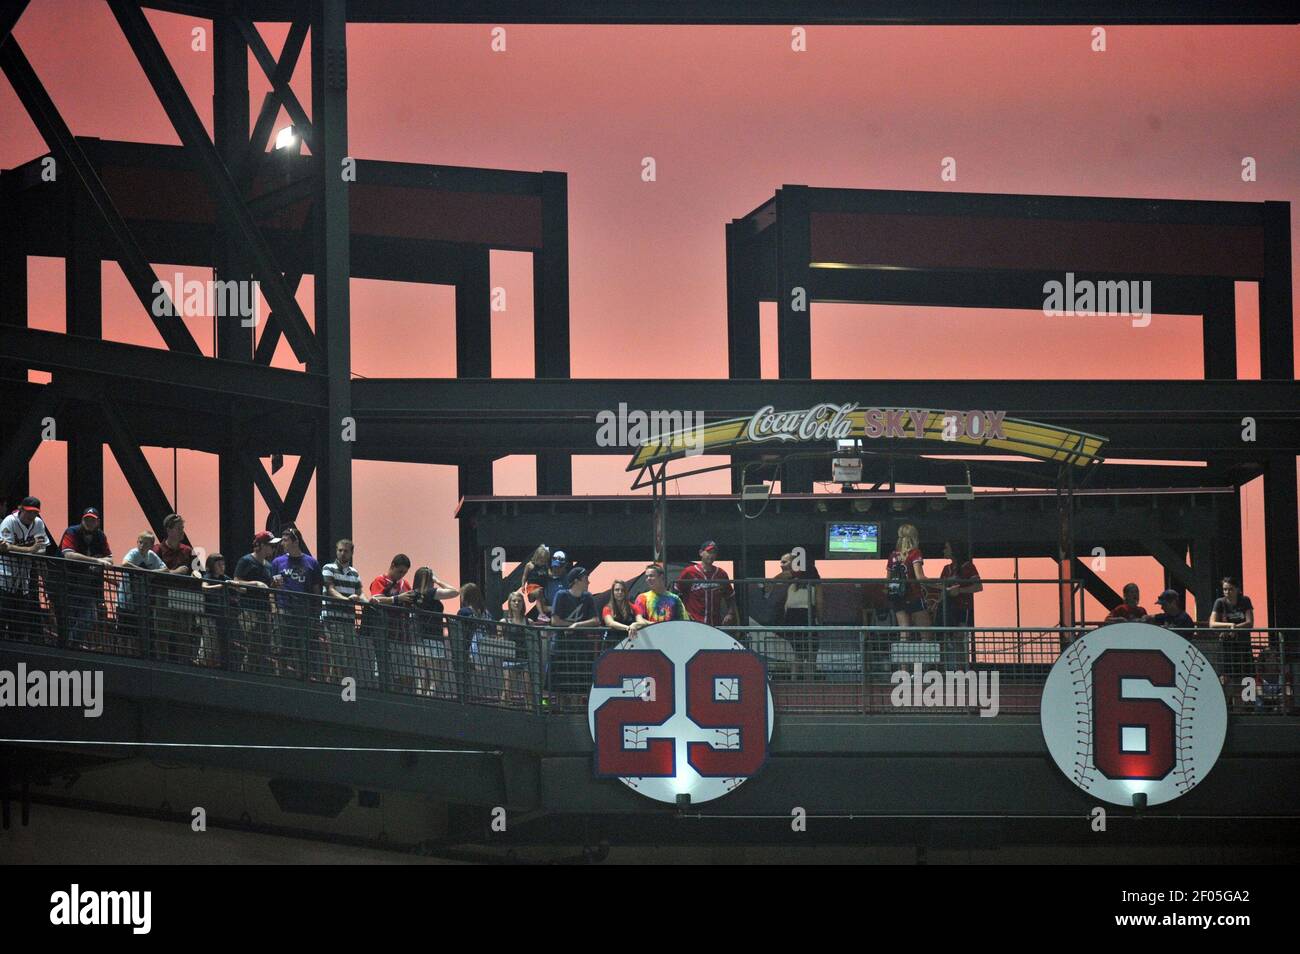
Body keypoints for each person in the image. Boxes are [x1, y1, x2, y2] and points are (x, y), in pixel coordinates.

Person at [60, 506, 113, 651]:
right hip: (67, 582)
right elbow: (68, 554)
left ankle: (71, 643)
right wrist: (96, 560)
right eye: (87, 519)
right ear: (82, 520)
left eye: (92, 520)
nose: (89, 522)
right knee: (70, 616)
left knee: (89, 617)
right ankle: (69, 645)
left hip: (87, 585)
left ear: (98, 522)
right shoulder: (72, 531)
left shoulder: (100, 536)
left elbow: (109, 558)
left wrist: (100, 561)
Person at [270, 526, 320, 678]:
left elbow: (316, 590)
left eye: (285, 540)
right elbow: (271, 588)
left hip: (304, 612)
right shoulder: (277, 562)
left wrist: (315, 614)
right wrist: (274, 607)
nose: (282, 543)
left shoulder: (311, 563)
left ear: (295, 541)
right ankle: (282, 678)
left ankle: (303, 678)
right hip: (284, 609)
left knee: (303, 648)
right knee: (282, 647)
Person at [152, 513, 201, 662]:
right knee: (162, 633)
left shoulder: (188, 550)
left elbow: (197, 570)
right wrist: (177, 572)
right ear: (169, 530)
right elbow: (151, 573)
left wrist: (195, 574)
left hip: (182, 596)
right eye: (179, 528)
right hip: (163, 596)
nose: (182, 532)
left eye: (182, 528)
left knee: (184, 633)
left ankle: (183, 664)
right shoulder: (157, 550)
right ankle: (162, 663)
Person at [0, 497, 50, 642]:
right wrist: (30, 549)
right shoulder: (10, 521)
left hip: (24, 580)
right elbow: (4, 548)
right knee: (2, 618)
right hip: (5, 576)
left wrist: (26, 550)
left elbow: (42, 550)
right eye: (29, 512)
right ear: (21, 508)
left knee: (20, 623)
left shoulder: (38, 523)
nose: (31, 515)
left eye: (35, 512)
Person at [549, 566, 599, 700]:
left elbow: (595, 620)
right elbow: (554, 620)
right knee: (561, 681)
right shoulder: (561, 595)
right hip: (562, 645)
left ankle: (576, 709)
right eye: (585, 579)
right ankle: (562, 711)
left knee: (579, 680)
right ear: (576, 581)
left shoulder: (587, 597)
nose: (588, 582)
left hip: (580, 646)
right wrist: (572, 625)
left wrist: (576, 625)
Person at [233, 531, 280, 674]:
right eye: (270, 545)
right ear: (261, 546)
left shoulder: (269, 566)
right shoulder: (246, 561)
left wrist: (274, 586)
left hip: (264, 611)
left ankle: (256, 673)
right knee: (253, 644)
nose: (273, 549)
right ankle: (247, 674)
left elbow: (268, 588)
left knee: (263, 645)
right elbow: (235, 582)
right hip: (249, 610)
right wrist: (255, 583)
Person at [409, 566, 459, 698]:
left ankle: (419, 700)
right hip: (434, 639)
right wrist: (438, 581)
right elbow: (454, 592)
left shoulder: (413, 594)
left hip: (418, 639)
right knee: (435, 678)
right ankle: (429, 700)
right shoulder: (431, 593)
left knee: (421, 678)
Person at [320, 539, 366, 684]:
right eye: (340, 550)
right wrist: (347, 600)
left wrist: (369, 601)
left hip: (348, 621)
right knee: (337, 655)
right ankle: (336, 688)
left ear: (351, 553)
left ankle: (341, 689)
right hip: (332, 619)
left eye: (346, 551)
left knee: (349, 657)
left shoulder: (354, 573)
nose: (342, 553)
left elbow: (360, 592)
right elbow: (330, 589)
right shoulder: (328, 568)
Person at [366, 554, 415, 690]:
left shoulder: (405, 584)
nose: (401, 575)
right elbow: (376, 599)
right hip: (384, 633)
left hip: (402, 635)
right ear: (392, 566)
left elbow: (410, 600)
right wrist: (398, 599)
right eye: (400, 571)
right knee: (385, 670)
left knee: (405, 673)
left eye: (404, 573)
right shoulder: (380, 580)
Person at [116, 531, 166, 655]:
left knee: (137, 631)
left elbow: (165, 568)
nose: (142, 545)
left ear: (151, 545)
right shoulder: (134, 553)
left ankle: (134, 655)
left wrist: (153, 572)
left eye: (146, 543)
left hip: (141, 601)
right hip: (126, 600)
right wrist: (144, 571)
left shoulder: (151, 556)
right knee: (124, 630)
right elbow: (125, 563)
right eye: (140, 542)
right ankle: (122, 654)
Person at [776, 553, 823, 682]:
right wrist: (820, 620)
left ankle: (793, 680)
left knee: (798, 654)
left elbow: (786, 605)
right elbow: (819, 603)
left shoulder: (793, 585)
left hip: (791, 618)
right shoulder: (814, 585)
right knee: (811, 654)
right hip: (806, 616)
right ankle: (810, 681)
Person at [1210, 576, 1255, 710]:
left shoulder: (1245, 601)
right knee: (1224, 678)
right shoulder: (1220, 602)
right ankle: (1222, 708)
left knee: (1241, 679)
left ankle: (1239, 710)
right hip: (1226, 646)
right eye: (1225, 589)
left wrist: (1236, 628)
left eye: (1230, 589)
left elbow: (1250, 622)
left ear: (1237, 589)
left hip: (1242, 645)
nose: (1227, 592)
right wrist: (1230, 625)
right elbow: (1212, 623)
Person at [936, 540, 982, 667]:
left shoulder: (968, 567)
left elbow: (978, 586)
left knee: (959, 638)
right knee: (946, 638)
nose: (943, 551)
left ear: (954, 550)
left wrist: (960, 590)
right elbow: (941, 588)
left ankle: (962, 670)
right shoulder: (946, 569)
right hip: (947, 609)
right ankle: (948, 669)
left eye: (946, 547)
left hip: (962, 608)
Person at [674, 540, 737, 627]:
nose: (711, 555)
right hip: (694, 623)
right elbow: (674, 594)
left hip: (715, 624)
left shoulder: (721, 574)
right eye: (708, 552)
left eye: (714, 553)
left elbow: (730, 596)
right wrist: (683, 613)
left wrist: (730, 613)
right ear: (701, 553)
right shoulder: (689, 572)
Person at [885, 523, 929, 640]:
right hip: (914, 595)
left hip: (897, 597)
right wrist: (939, 583)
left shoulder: (892, 555)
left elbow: (887, 580)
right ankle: (925, 658)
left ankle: (903, 658)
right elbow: (919, 577)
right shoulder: (915, 553)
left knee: (904, 633)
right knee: (925, 633)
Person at [457, 582, 498, 700]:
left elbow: (459, 629)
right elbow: (492, 629)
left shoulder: (464, 612)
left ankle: (466, 697)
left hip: (468, 648)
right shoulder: (486, 613)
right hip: (484, 649)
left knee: (464, 674)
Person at [199, 553, 238, 669]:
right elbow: (204, 587)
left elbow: (240, 588)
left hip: (223, 615)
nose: (222, 567)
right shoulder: (209, 577)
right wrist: (220, 586)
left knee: (220, 641)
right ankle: (204, 661)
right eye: (219, 565)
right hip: (209, 614)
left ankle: (216, 663)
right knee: (209, 640)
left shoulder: (224, 578)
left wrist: (233, 585)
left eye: (223, 564)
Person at [629, 564, 688, 637]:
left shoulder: (674, 598)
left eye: (651, 576)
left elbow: (684, 622)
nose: (648, 579)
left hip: (671, 637)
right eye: (646, 577)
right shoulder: (642, 598)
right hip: (650, 639)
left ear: (661, 577)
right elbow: (639, 620)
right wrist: (659, 626)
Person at [500, 589, 537, 704]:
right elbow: (500, 640)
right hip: (509, 659)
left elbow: (534, 640)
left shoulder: (529, 621)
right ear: (509, 603)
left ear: (523, 604)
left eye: (519, 601)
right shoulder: (504, 622)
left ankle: (529, 712)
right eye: (514, 601)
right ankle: (503, 712)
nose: (517, 603)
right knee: (507, 689)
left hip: (525, 658)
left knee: (528, 690)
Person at [519, 544, 553, 621]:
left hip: (542, 589)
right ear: (536, 557)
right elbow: (524, 576)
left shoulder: (545, 566)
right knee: (539, 591)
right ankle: (541, 614)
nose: (543, 563)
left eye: (545, 561)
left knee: (543, 603)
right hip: (532, 587)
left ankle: (547, 613)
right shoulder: (530, 565)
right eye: (541, 561)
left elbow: (550, 574)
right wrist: (523, 585)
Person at [601, 579, 637, 647]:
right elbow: (610, 623)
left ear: (625, 592)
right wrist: (628, 628)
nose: (620, 592)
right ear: (613, 592)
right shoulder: (607, 608)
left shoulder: (633, 607)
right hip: (612, 644)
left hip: (630, 643)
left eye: (622, 590)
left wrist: (635, 624)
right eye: (617, 590)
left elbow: (641, 620)